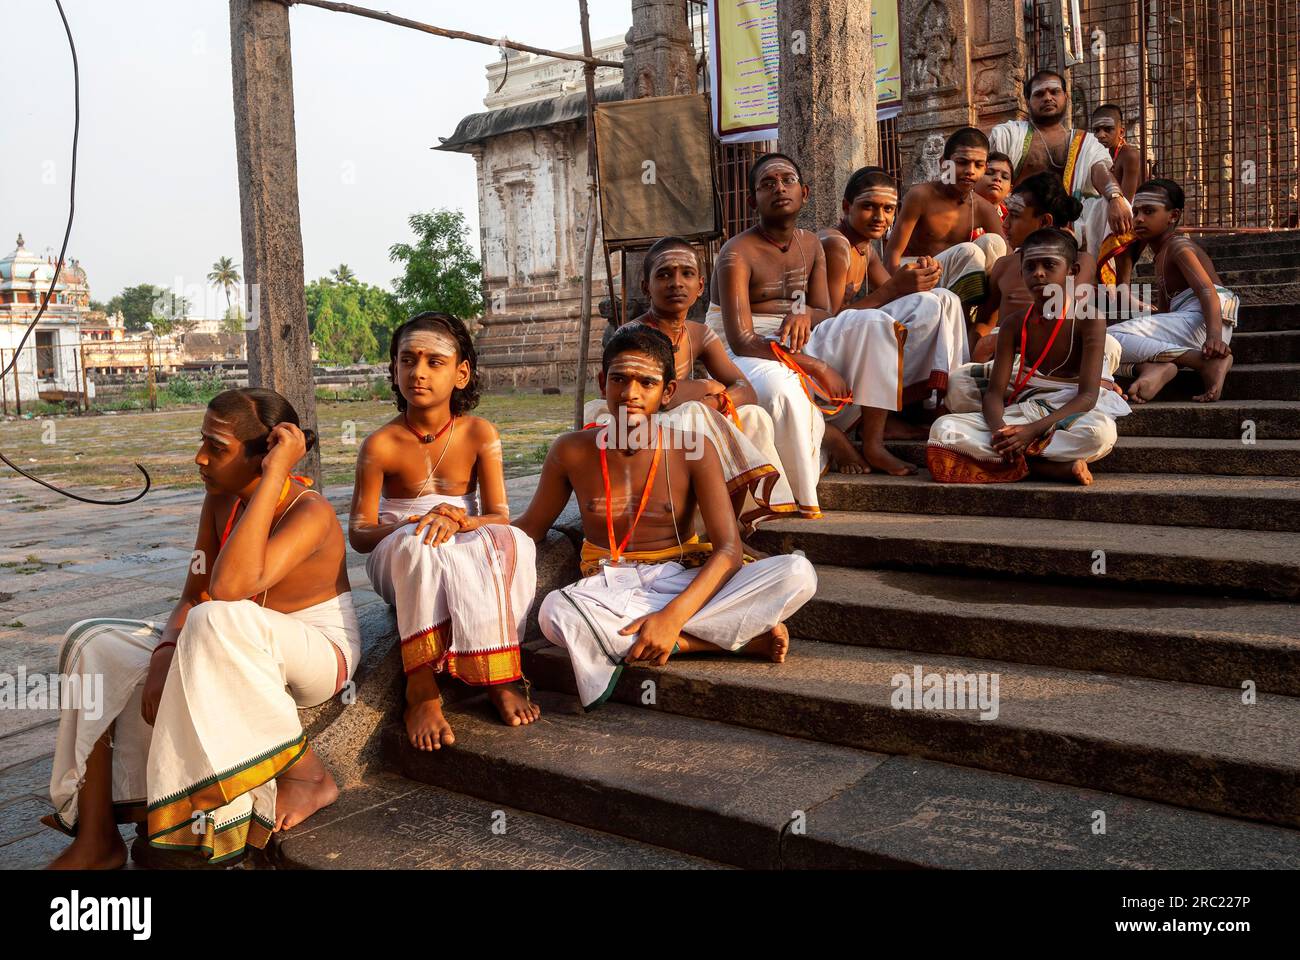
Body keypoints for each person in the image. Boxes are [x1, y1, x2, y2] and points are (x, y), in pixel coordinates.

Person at [45, 388, 360, 868]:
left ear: (266, 455)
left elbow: (229, 589)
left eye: (218, 448)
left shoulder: (309, 511)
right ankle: (97, 837)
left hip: (316, 651)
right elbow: (194, 595)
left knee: (218, 617)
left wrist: (276, 474)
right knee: (94, 641)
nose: (201, 458)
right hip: (223, 634)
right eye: (203, 442)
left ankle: (308, 774)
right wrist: (166, 651)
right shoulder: (220, 502)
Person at [515, 325, 817, 710]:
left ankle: (674, 637)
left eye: (646, 382)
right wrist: (476, 524)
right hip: (609, 588)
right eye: (619, 379)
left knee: (797, 573)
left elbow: (727, 550)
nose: (630, 393)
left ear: (667, 392)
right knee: (554, 613)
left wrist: (673, 616)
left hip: (682, 578)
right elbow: (531, 528)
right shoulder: (570, 450)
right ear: (601, 382)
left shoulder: (692, 449)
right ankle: (718, 639)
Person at [351, 313, 539, 752]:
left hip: (464, 538)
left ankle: (498, 674)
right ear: (394, 369)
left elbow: (499, 516)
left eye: (434, 362)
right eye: (407, 360)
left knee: (513, 542)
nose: (418, 372)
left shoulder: (479, 433)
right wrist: (412, 523)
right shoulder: (379, 444)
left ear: (461, 373)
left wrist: (460, 518)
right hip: (401, 555)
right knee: (419, 545)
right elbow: (360, 534)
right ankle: (421, 687)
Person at [584, 236, 797, 527]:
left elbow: (746, 390)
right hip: (636, 423)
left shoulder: (700, 334)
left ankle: (734, 525)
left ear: (700, 286)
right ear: (647, 287)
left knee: (753, 417)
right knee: (694, 416)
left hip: (684, 419)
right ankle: (694, 528)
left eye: (686, 274)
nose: (676, 283)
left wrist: (717, 400)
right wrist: (705, 387)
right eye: (664, 274)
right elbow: (656, 398)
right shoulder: (631, 335)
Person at [928, 228, 1131, 485]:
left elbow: (1088, 397)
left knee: (1099, 434)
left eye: (1049, 265)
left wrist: (1030, 432)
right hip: (1021, 408)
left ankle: (1020, 462)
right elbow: (993, 393)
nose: (1038, 273)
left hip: (1065, 411)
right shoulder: (1014, 324)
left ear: (1072, 271)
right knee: (943, 430)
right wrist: (999, 433)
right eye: (1030, 267)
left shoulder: (1089, 320)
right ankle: (1048, 468)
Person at [705, 152, 847, 511]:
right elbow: (742, 339)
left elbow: (824, 309)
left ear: (805, 192)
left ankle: (851, 433)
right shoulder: (736, 252)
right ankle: (799, 493)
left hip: (796, 333)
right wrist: (813, 365)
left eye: (787, 181)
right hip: (744, 349)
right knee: (783, 389)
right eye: (768, 184)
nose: (779, 188)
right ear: (753, 200)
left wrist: (800, 312)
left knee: (869, 330)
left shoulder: (811, 244)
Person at [816, 165, 970, 475]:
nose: (880, 217)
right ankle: (878, 433)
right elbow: (826, 320)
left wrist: (919, 277)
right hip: (820, 347)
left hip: (849, 340)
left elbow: (898, 296)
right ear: (847, 207)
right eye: (868, 207)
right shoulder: (836, 245)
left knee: (944, 299)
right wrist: (897, 288)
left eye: (888, 209)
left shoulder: (867, 249)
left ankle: (941, 403)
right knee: (916, 310)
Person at [1105, 179, 1240, 403]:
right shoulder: (1161, 254)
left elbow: (1208, 291)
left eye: (1149, 211)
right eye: (1136, 211)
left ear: (1173, 216)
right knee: (1098, 351)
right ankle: (1151, 368)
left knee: (1105, 339)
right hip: (1190, 326)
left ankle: (1202, 362)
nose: (1138, 219)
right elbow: (1166, 314)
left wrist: (1214, 338)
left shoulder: (1179, 247)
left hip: (1206, 322)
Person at [989, 70, 1133, 258]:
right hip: (1021, 219)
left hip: (1071, 222)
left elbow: (1100, 171)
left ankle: (1118, 285)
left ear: (1066, 97)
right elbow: (989, 174)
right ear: (1027, 101)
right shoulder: (1009, 135)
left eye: (1054, 92)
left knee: (1121, 207)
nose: (1047, 98)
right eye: (1039, 94)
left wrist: (1115, 197)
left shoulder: (1086, 142)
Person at [972, 172, 1098, 357]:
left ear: (1045, 221)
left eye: (1014, 216)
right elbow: (984, 323)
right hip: (1005, 360)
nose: (1005, 225)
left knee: (1109, 344)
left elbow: (1061, 312)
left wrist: (1010, 337)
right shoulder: (1004, 265)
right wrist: (977, 353)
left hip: (1057, 356)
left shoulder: (1080, 262)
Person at [884, 127, 1008, 310]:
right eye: (962, 162)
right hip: (916, 277)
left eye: (978, 165)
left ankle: (977, 317)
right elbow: (892, 255)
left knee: (995, 243)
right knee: (969, 252)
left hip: (957, 282)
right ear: (944, 163)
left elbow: (1008, 256)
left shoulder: (983, 208)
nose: (970, 171)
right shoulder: (920, 195)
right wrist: (894, 291)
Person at [976, 152, 1014, 221]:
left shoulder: (1010, 220)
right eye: (989, 173)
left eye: (1004, 177)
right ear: (975, 179)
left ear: (1010, 190)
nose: (997, 178)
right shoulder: (958, 210)